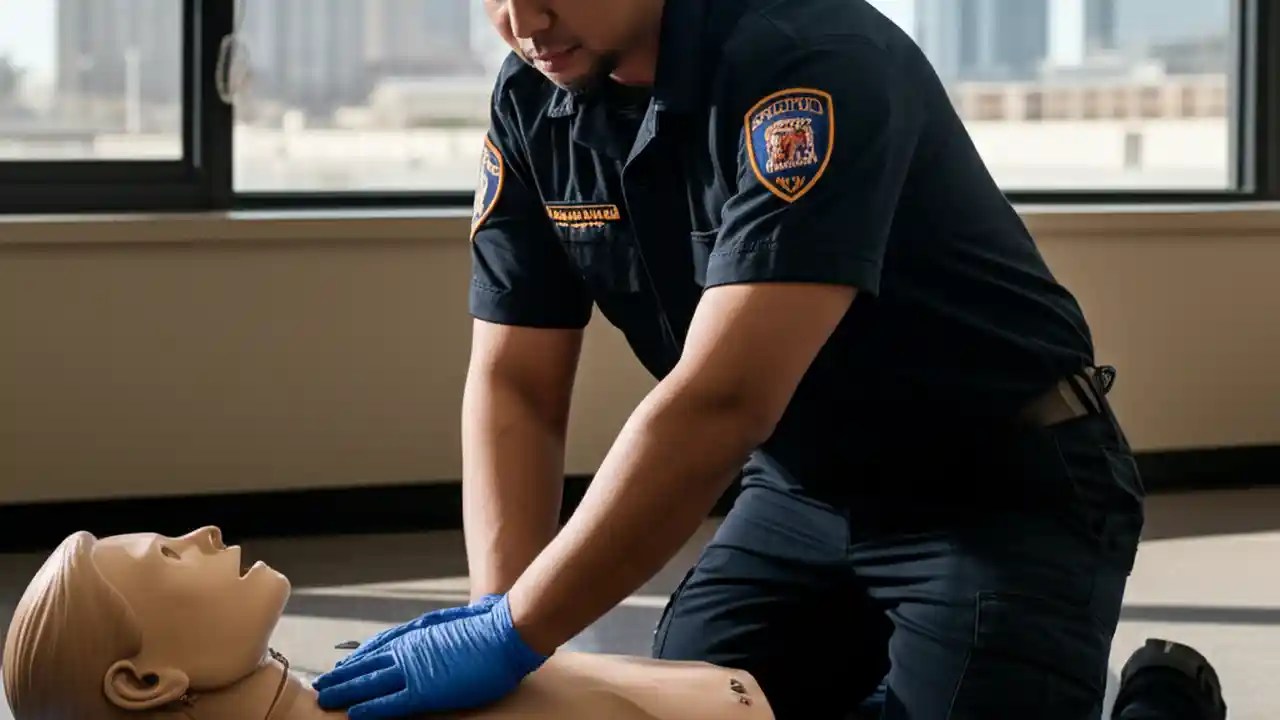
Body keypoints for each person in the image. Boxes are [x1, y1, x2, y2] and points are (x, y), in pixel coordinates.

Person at [314, 0, 1147, 718]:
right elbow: (517, 384)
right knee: (672, 709)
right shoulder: (535, 96)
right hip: (801, 488)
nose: (523, 21)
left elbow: (723, 399)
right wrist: (495, 616)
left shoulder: (811, 59)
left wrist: (517, 632)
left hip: (996, 485)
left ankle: (1159, 698)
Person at [2, 526, 775, 720]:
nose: (204, 534)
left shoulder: (362, 681)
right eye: (168, 556)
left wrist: (509, 622)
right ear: (143, 681)